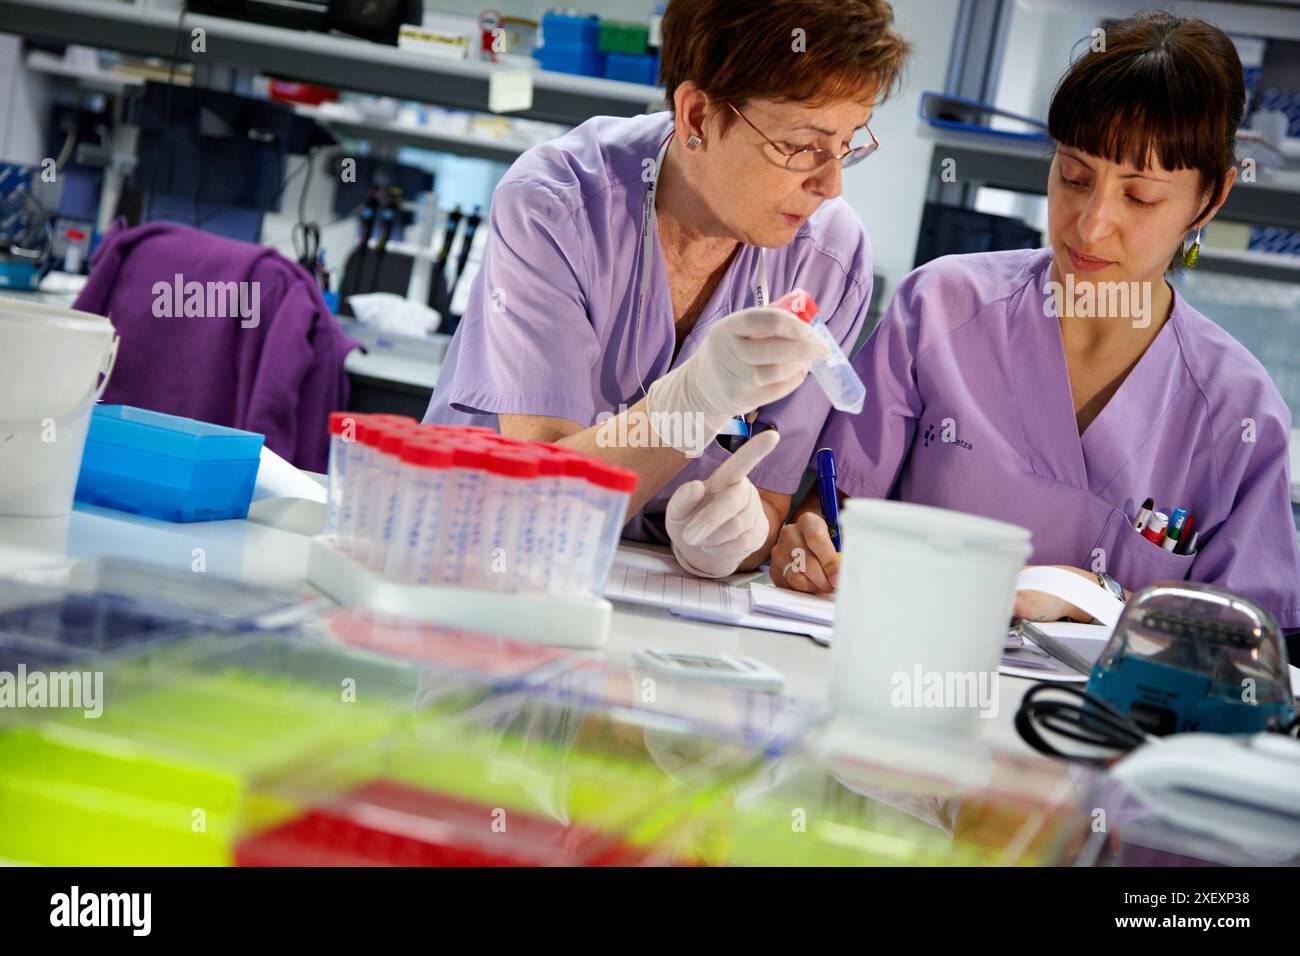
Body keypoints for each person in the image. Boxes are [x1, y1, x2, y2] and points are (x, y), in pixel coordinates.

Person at [771, 11, 1300, 630]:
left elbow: (1246, 638)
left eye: (1140, 197)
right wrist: (809, 544)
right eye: (1074, 176)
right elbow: (835, 512)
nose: (1091, 225)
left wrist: (1101, 598)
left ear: (1210, 200)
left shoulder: (1237, 413)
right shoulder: (939, 308)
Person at [424, 0, 910, 577]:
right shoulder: (557, 206)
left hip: (657, 590)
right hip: (476, 558)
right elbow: (542, 500)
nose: (830, 184)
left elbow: (767, 498)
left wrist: (734, 538)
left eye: (849, 143)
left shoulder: (830, 258)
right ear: (697, 116)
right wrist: (691, 400)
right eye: (803, 145)